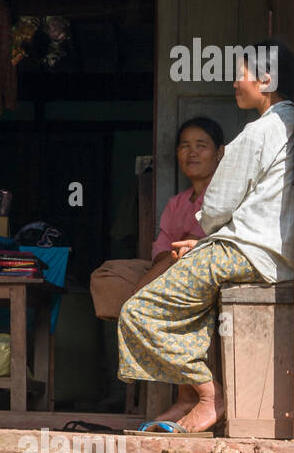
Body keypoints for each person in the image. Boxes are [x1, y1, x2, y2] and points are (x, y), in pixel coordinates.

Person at [119, 40, 294, 433]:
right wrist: (204, 244)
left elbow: (216, 207)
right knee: (191, 299)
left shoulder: (261, 130)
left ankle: (207, 396)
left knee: (139, 310)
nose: (234, 81)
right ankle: (186, 401)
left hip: (245, 252)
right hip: (272, 255)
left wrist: (211, 238)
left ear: (266, 79)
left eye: (242, 73)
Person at [90, 117, 227, 319]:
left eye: (201, 145)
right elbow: (160, 251)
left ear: (220, 152)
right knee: (105, 275)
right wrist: (168, 260)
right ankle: (139, 305)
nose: (192, 153)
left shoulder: (222, 195)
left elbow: (191, 248)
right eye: (185, 146)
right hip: (166, 270)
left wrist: (145, 284)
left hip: (199, 274)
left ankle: (135, 306)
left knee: (180, 257)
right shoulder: (176, 202)